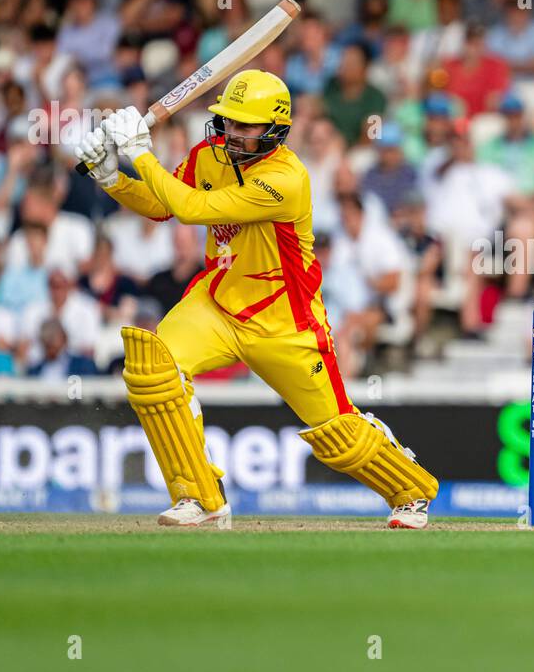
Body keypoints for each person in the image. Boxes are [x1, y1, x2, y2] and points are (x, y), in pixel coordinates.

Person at [76, 69, 437, 529]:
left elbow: (193, 209)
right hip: (218, 301)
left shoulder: (286, 179)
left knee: (337, 435)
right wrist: (112, 177)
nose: (232, 133)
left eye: (245, 125)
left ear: (276, 129)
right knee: (152, 366)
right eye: (227, 121)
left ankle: (411, 490)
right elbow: (163, 204)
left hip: (286, 321)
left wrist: (138, 154)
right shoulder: (209, 152)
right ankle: (199, 497)